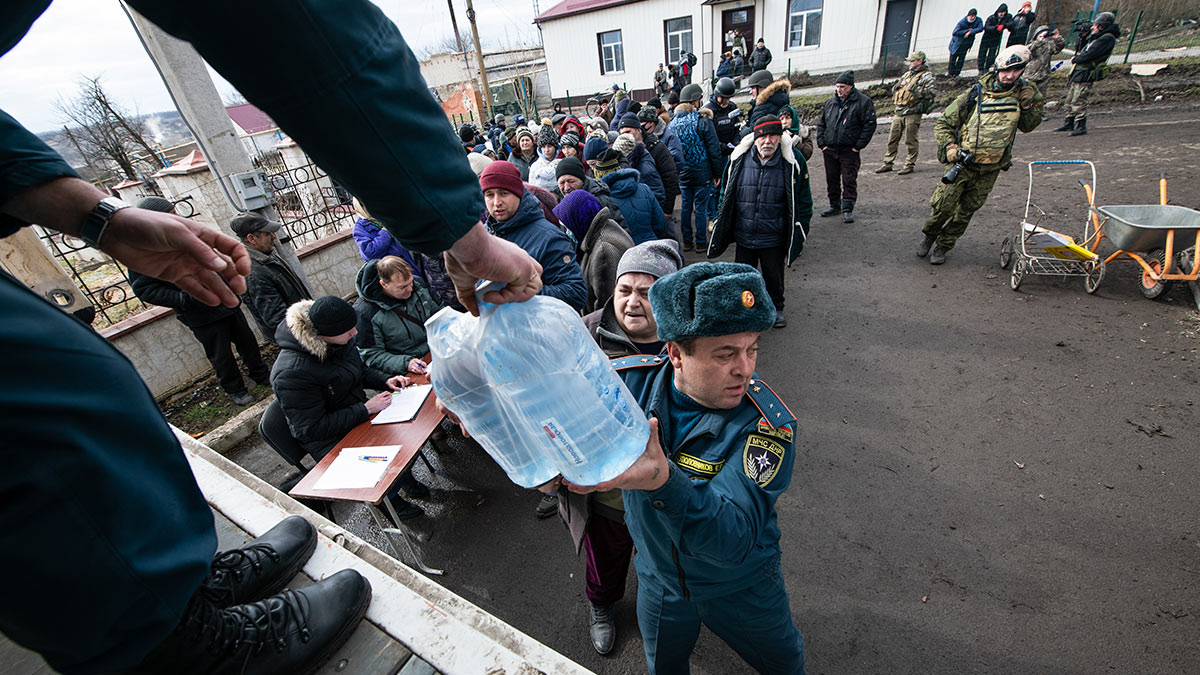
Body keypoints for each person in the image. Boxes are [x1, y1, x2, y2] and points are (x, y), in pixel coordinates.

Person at [2, 0, 549, 668]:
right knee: (47, 416)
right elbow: (308, 33)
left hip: (367, 415)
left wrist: (97, 216)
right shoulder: (295, 368)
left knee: (92, 384)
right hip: (342, 443)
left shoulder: (345, 343)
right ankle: (172, 639)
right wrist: (461, 235)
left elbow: (362, 369)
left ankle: (190, 584)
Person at [564, 262, 805, 674]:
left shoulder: (767, 426)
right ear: (674, 353)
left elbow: (731, 540)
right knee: (665, 667)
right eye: (726, 354)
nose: (745, 369)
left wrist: (662, 481)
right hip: (660, 581)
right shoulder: (627, 385)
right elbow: (556, 423)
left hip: (740, 587)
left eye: (752, 349)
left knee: (784, 664)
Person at [567, 239, 683, 655]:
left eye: (648, 293)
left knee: (666, 555)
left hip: (668, 483)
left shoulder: (690, 340)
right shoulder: (584, 335)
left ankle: (671, 610)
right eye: (624, 290)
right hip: (607, 486)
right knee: (607, 552)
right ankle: (601, 605)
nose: (633, 303)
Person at [271, 296, 427, 521]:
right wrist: (364, 410)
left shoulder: (338, 340)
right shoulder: (291, 373)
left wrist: (385, 380)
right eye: (347, 330)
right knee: (383, 460)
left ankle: (404, 480)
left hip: (359, 417)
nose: (355, 333)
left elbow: (358, 371)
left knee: (407, 437)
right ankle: (392, 502)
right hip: (331, 441)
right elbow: (309, 429)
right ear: (324, 334)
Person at [128, 196, 269, 406]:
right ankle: (236, 390)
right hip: (200, 314)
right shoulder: (143, 252)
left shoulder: (186, 234)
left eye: (175, 212)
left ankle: (261, 375)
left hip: (226, 303)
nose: (177, 217)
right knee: (221, 355)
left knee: (247, 342)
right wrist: (185, 298)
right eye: (171, 214)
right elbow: (145, 290)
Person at [918, 45, 1042, 265]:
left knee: (967, 210)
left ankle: (944, 245)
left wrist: (1029, 104)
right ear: (997, 68)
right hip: (963, 163)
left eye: (1017, 70)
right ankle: (930, 235)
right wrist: (950, 148)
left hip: (990, 167)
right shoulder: (976, 93)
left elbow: (1028, 126)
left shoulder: (1026, 93)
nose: (1010, 75)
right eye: (1006, 70)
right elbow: (944, 123)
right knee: (943, 205)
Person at [709, 115, 812, 329]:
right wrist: (722, 218)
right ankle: (744, 309)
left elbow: (804, 199)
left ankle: (776, 307)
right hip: (744, 232)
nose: (767, 141)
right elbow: (725, 192)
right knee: (742, 275)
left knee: (773, 275)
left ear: (780, 137)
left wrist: (802, 229)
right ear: (755, 138)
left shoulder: (793, 161)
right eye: (763, 136)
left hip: (773, 234)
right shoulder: (738, 158)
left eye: (773, 135)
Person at [353, 255, 441, 376]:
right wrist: (405, 363)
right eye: (403, 287)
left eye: (410, 282)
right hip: (405, 370)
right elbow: (371, 355)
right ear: (384, 284)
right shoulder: (365, 312)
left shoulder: (417, 285)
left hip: (436, 353)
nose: (410, 289)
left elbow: (438, 314)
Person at [234, 211, 313, 341]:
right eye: (267, 234)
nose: (273, 237)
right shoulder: (253, 273)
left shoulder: (265, 255)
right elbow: (278, 319)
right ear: (252, 238)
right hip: (297, 337)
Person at [553, 189, 634, 313]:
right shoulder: (603, 228)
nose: (567, 231)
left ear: (578, 220)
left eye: (567, 226)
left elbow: (605, 304)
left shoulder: (604, 251)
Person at [668, 83, 724, 252]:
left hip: (683, 172)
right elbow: (714, 150)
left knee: (686, 206)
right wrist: (717, 172)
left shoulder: (672, 124)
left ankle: (686, 242)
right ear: (695, 101)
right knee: (700, 207)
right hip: (702, 171)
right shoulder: (703, 121)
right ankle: (700, 242)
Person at [816, 70, 876, 223]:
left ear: (851, 86)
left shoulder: (863, 102)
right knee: (832, 179)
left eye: (842, 86)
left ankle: (847, 209)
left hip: (849, 150)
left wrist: (858, 146)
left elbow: (869, 125)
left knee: (849, 179)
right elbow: (821, 123)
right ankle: (834, 205)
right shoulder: (830, 103)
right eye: (837, 86)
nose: (839, 90)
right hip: (829, 149)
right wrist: (821, 143)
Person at [1055, 12, 1119, 137]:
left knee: (1079, 100)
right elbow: (1082, 49)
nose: (1092, 27)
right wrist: (1083, 36)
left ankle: (1080, 125)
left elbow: (1090, 54)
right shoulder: (1097, 37)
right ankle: (1069, 121)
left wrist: (1076, 59)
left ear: (1101, 26)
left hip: (1086, 72)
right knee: (1070, 99)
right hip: (1079, 71)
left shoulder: (1106, 38)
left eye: (1095, 25)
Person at [875, 51, 936, 176]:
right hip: (899, 111)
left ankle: (909, 164)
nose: (910, 63)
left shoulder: (927, 76)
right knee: (892, 138)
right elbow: (894, 89)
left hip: (913, 112)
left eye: (912, 61)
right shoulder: (907, 74)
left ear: (919, 61)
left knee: (910, 139)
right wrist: (898, 85)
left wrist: (914, 90)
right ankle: (888, 163)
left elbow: (931, 94)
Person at [351, 198, 424, 281]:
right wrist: (385, 231)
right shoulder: (360, 228)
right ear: (361, 208)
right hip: (389, 271)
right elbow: (370, 252)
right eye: (367, 206)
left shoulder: (384, 216)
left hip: (407, 263)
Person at [633, 107, 681, 225]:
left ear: (652, 123)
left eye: (643, 126)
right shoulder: (636, 147)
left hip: (663, 200)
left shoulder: (662, 142)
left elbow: (671, 173)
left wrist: (668, 208)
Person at [601, 161, 668, 245]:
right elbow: (660, 222)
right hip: (651, 245)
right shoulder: (645, 189)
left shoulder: (605, 199)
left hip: (627, 251)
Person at [554, 155, 627, 229]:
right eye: (562, 183)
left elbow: (620, 230)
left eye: (571, 181)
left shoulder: (599, 200)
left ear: (582, 180)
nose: (566, 187)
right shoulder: (560, 202)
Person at [613, 119, 667, 209]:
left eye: (628, 132)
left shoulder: (644, 167)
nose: (625, 135)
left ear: (638, 130)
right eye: (621, 133)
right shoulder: (633, 162)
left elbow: (659, 192)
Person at [1025, 26, 1065, 94]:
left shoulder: (1049, 45)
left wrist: (1058, 38)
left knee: (1041, 95)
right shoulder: (1033, 45)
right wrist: (1039, 42)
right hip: (1031, 75)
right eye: (1040, 36)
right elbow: (1026, 51)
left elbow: (1059, 47)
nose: (1043, 38)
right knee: (1028, 93)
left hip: (1044, 74)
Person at [948, 9, 984, 77]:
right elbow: (955, 32)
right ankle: (951, 73)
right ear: (968, 16)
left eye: (974, 16)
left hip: (966, 44)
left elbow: (981, 28)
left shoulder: (978, 20)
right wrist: (966, 31)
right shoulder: (962, 22)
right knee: (953, 59)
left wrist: (970, 32)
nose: (973, 18)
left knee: (961, 59)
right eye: (971, 16)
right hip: (957, 44)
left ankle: (957, 74)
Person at [978, 4, 1013, 73]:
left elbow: (1011, 23)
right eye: (1000, 12)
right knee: (982, 53)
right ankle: (981, 68)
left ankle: (987, 67)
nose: (1001, 14)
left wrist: (1003, 26)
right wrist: (996, 28)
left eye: (1003, 12)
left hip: (996, 39)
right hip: (987, 38)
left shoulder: (1007, 17)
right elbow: (986, 27)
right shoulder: (991, 18)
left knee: (992, 54)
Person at [529, 125, 561, 192]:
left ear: (555, 147)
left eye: (549, 146)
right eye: (543, 147)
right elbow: (532, 189)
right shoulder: (535, 166)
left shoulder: (562, 162)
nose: (546, 150)